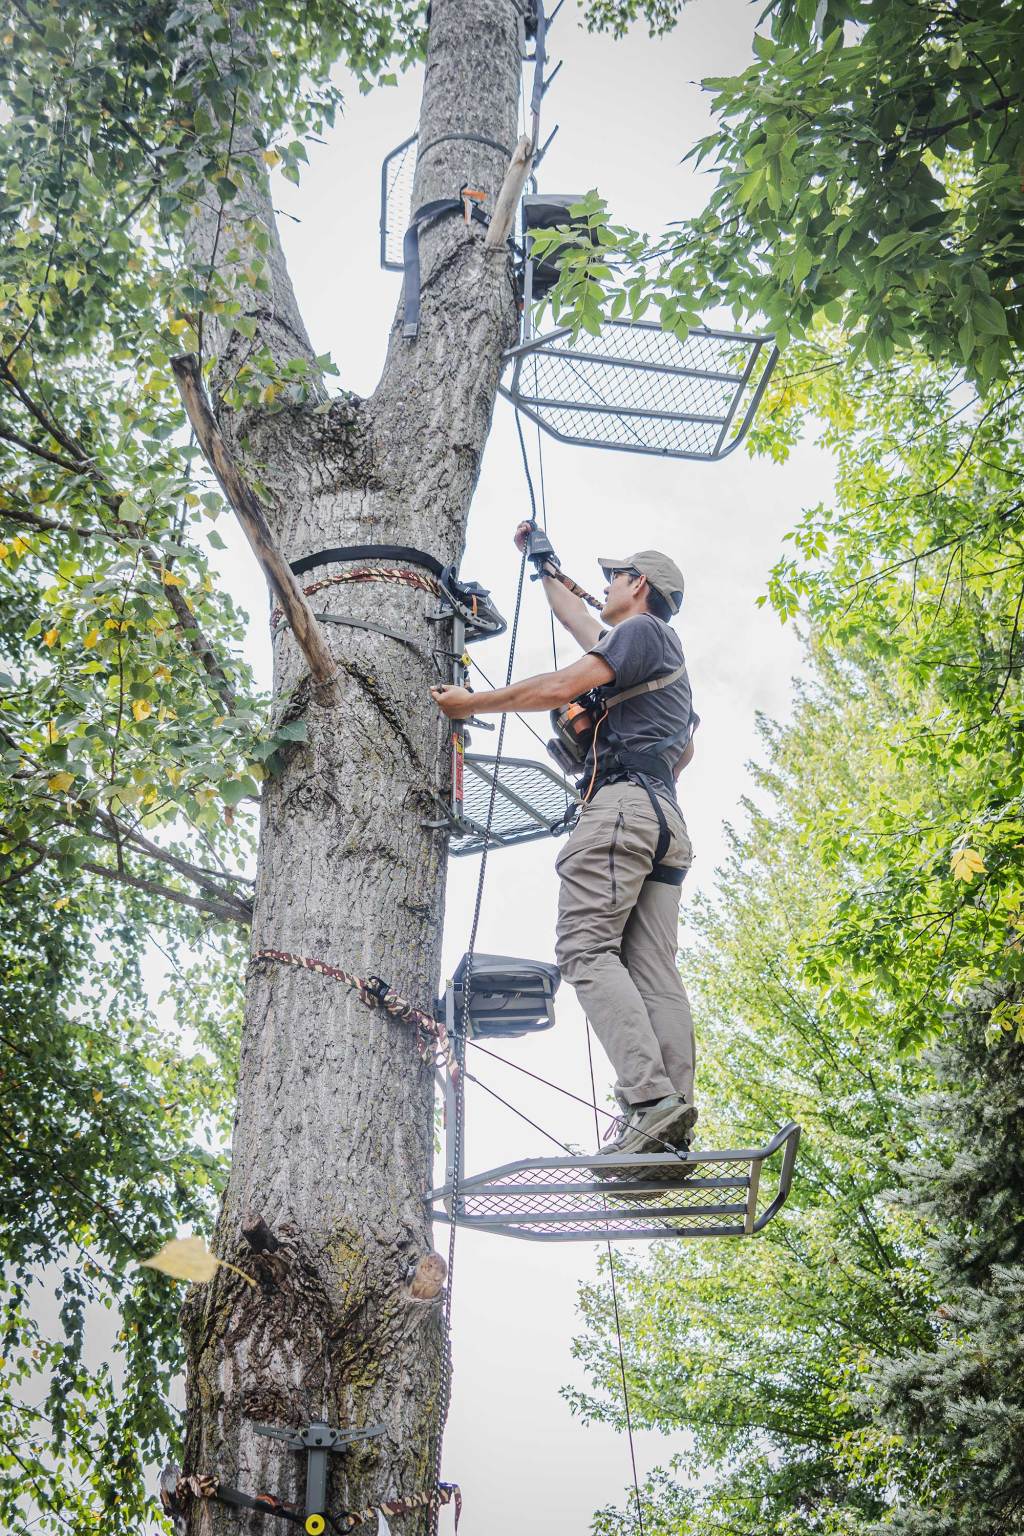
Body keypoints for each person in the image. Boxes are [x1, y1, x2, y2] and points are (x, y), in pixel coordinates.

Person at [431, 527, 699, 1158]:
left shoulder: (640, 635)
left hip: (622, 811)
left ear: (638, 586)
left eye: (614, 576)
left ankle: (648, 1100)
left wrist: (470, 705)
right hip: (666, 821)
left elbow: (559, 687)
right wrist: (542, 559)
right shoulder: (662, 661)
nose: (603, 585)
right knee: (653, 970)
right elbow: (576, 616)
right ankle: (669, 1122)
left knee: (584, 950)